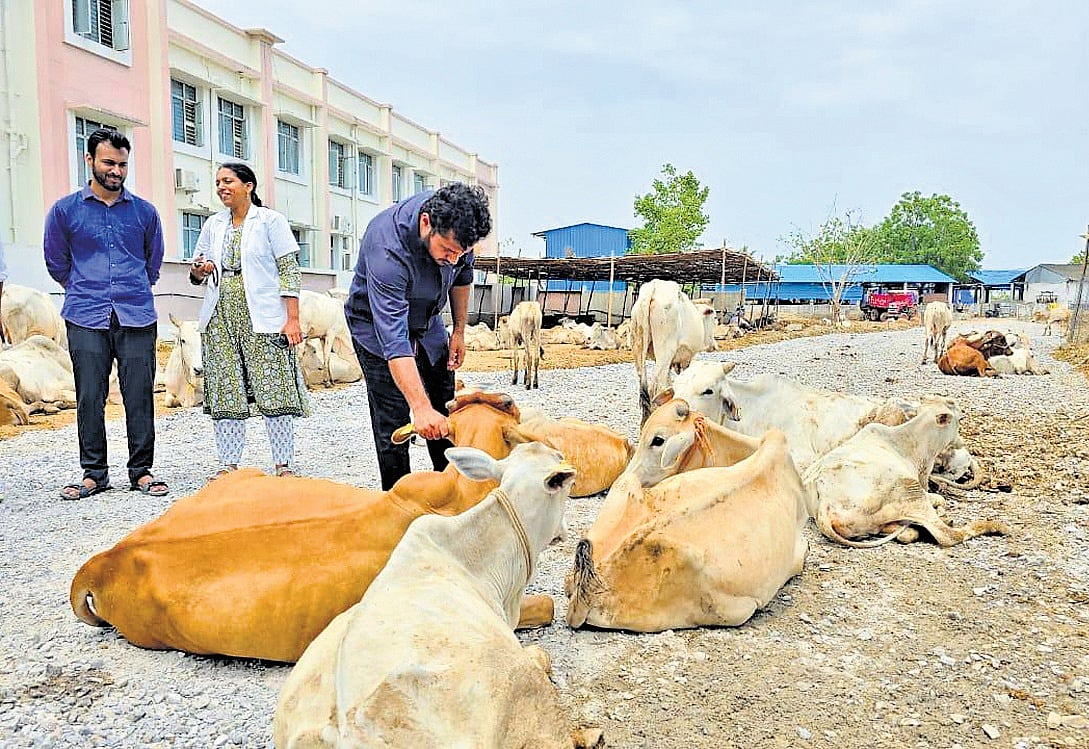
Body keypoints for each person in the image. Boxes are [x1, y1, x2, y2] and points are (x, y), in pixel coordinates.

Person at [44, 128, 167, 499]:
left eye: (122, 164)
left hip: (137, 314)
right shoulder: (65, 211)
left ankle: (141, 472)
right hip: (85, 314)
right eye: (109, 162)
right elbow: (56, 261)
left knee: (140, 396)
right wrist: (85, 286)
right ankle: (94, 473)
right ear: (90, 161)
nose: (116, 170)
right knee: (90, 396)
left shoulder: (145, 212)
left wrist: (129, 288)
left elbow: (153, 263)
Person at [345, 183, 492, 490]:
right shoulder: (387, 249)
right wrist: (420, 409)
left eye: (460, 252)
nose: (453, 259)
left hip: (427, 321)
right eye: (447, 251)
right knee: (395, 420)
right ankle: (399, 502)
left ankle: (452, 489)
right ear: (426, 223)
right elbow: (395, 342)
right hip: (376, 328)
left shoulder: (457, 227)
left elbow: (463, 275)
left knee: (444, 405)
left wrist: (460, 330)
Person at [188, 162, 309, 480]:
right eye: (217, 182)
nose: (221, 187)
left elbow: (289, 271)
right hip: (220, 319)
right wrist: (199, 270)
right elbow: (196, 273)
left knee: (275, 390)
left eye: (228, 181)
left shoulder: (271, 221)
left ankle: (283, 464)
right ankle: (228, 464)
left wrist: (292, 319)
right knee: (226, 391)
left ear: (248, 185)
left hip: (264, 318)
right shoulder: (213, 225)